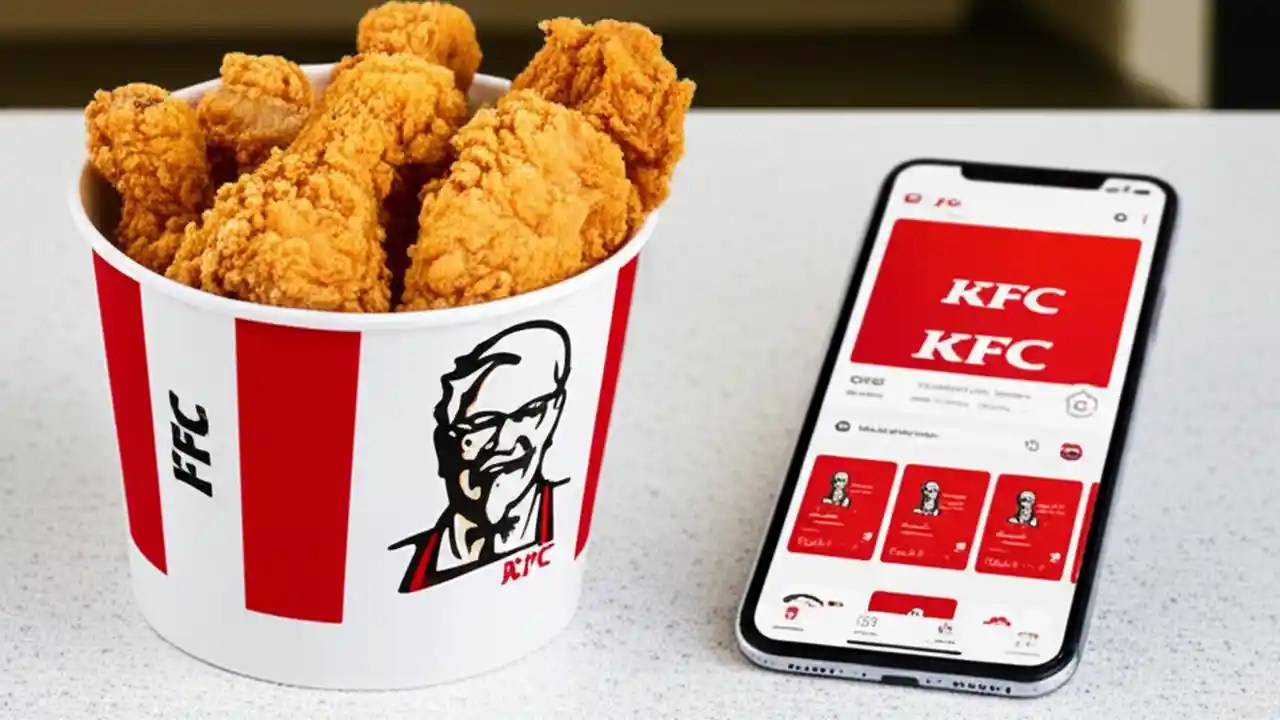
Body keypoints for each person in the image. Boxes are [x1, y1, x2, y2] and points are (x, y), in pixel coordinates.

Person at [390, 320, 571, 593]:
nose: (505, 443)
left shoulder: (567, 517)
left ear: (554, 416)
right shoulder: (392, 564)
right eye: (483, 423)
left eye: (528, 414)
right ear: (444, 445)